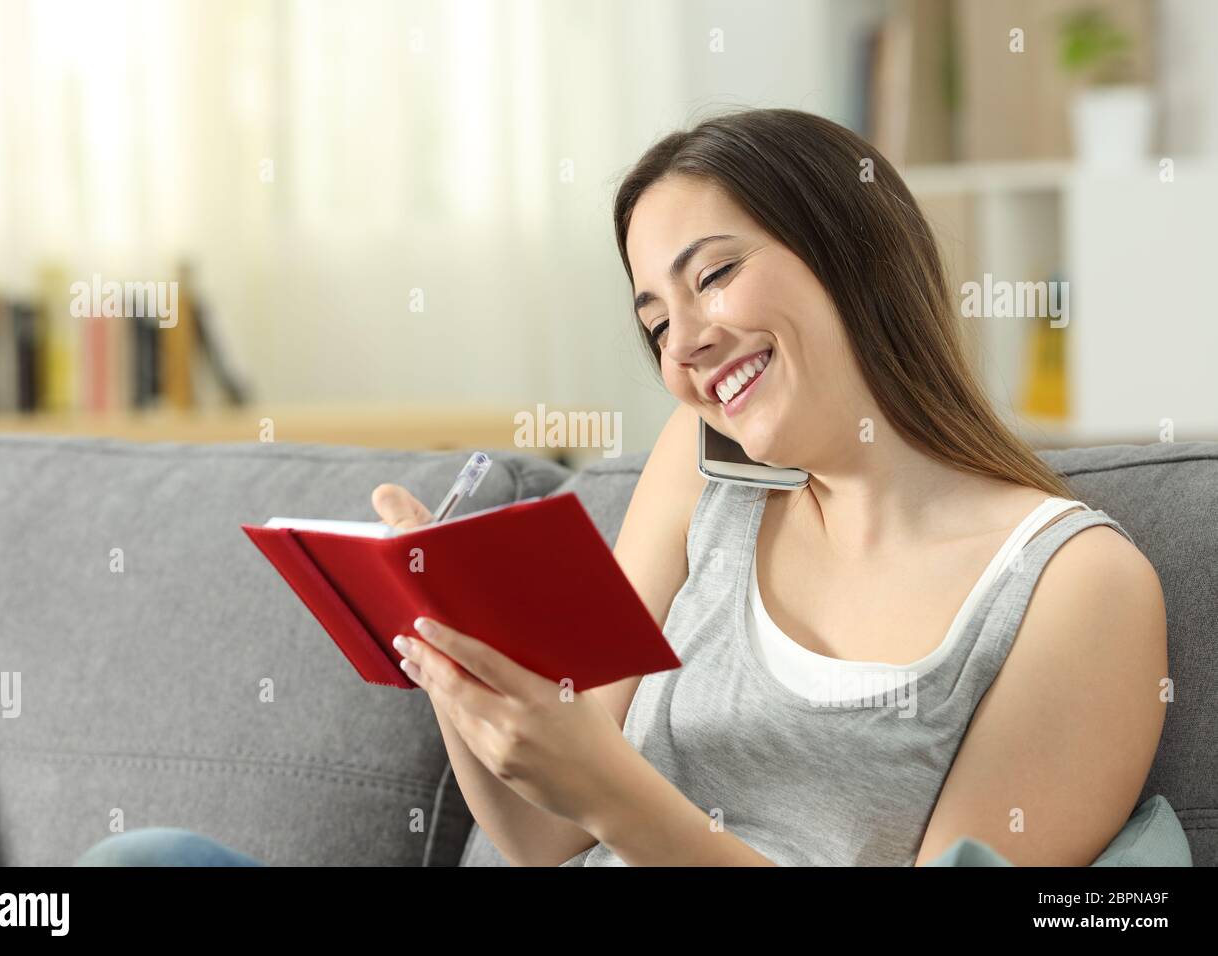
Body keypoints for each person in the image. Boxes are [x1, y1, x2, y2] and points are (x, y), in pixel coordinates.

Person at [78, 107, 1166, 868]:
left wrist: (617, 792)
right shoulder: (702, 474)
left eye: (716, 274)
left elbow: (596, 795)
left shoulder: (1074, 585)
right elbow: (541, 835)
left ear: (856, 250)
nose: (685, 343)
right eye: (653, 320)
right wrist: (453, 657)